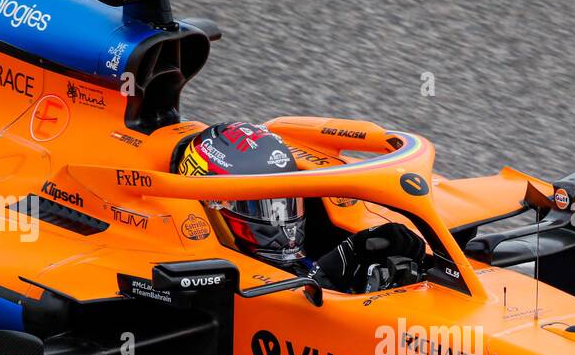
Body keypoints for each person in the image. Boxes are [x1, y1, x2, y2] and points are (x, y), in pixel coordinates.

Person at [173, 121, 424, 292]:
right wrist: (326, 278)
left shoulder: (295, 256)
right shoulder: (182, 267)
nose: (284, 224)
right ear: (212, 204)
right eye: (264, 208)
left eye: (287, 205)